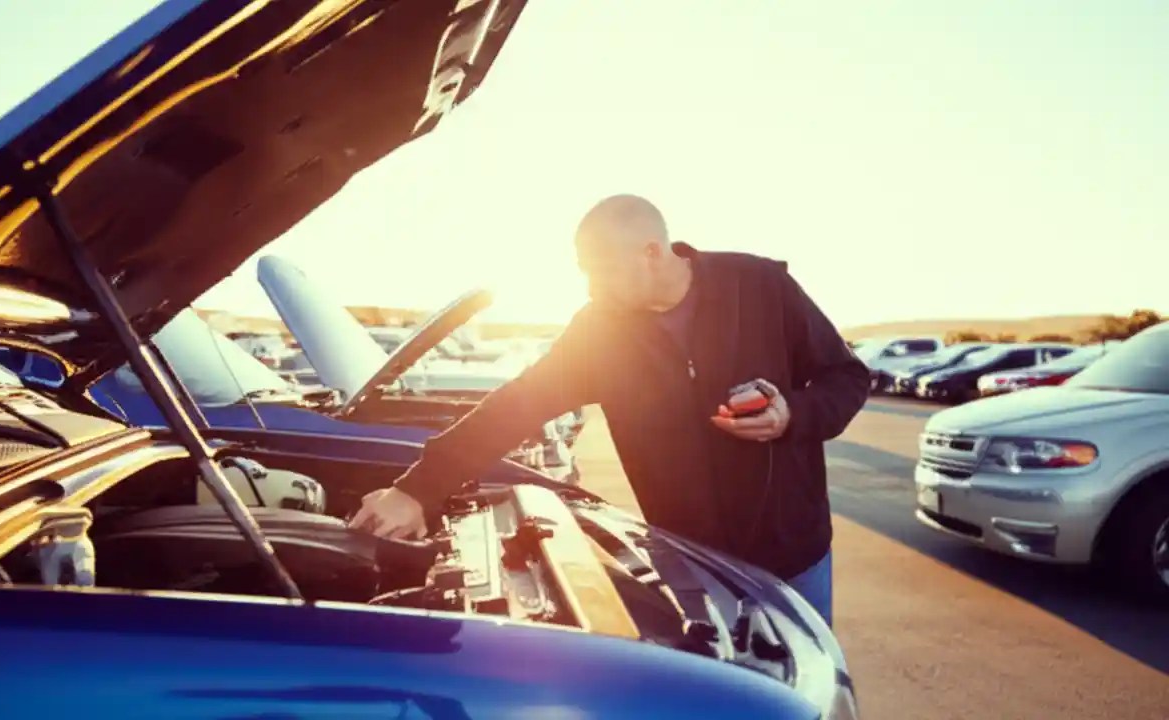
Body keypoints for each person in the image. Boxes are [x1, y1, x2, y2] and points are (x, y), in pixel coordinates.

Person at [350, 194, 869, 626]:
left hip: (795, 556)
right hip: (692, 562)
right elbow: (514, 405)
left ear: (651, 251)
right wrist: (418, 489)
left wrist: (792, 415)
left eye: (600, 269)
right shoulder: (600, 331)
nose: (591, 286)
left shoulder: (758, 287)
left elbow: (846, 378)